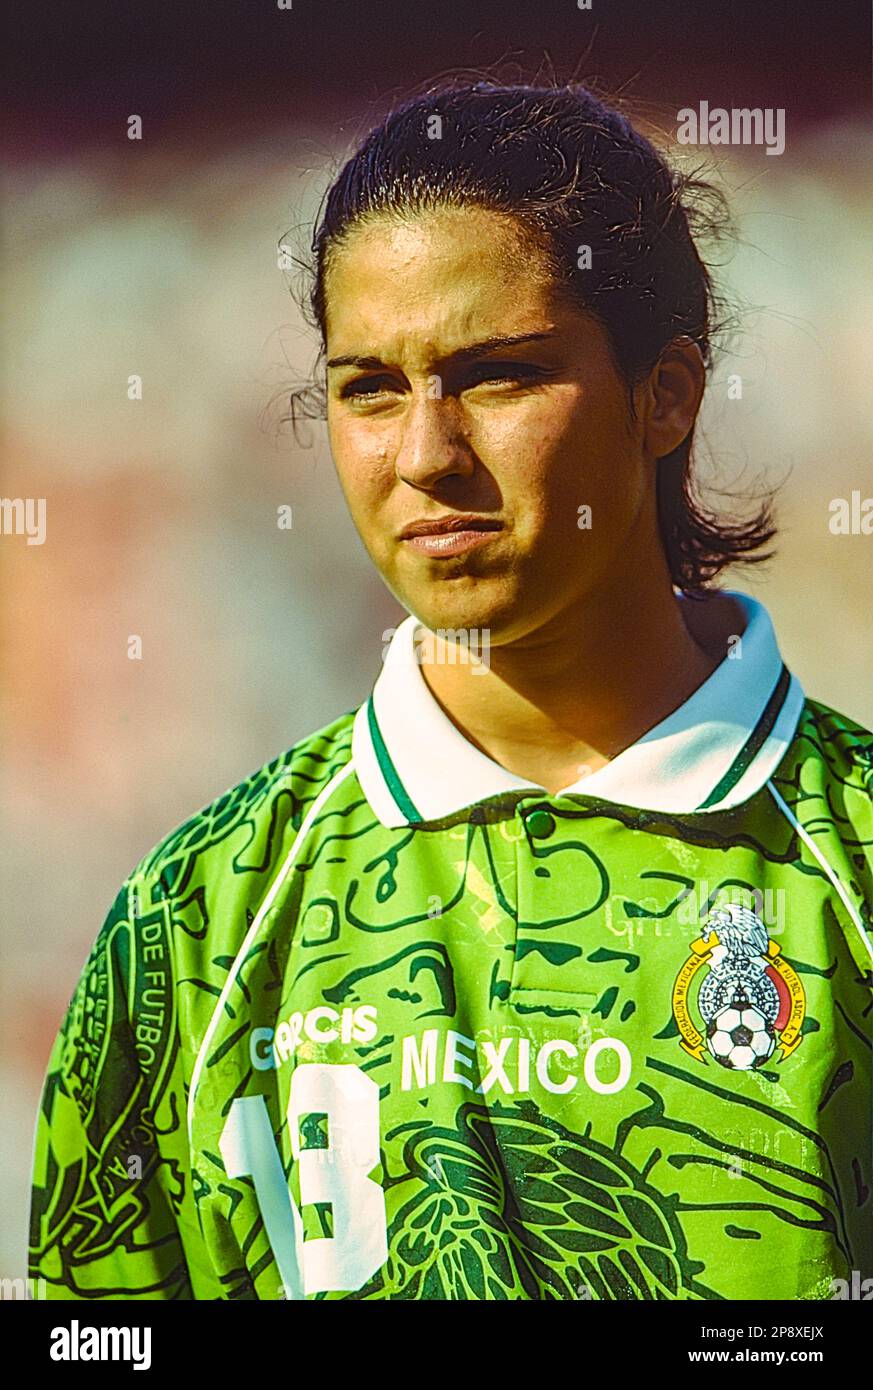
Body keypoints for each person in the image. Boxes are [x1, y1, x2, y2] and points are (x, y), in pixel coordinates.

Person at [29, 79, 872, 1301]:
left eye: (498, 376)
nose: (424, 455)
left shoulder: (850, 866)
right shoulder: (196, 923)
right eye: (369, 386)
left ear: (667, 393)